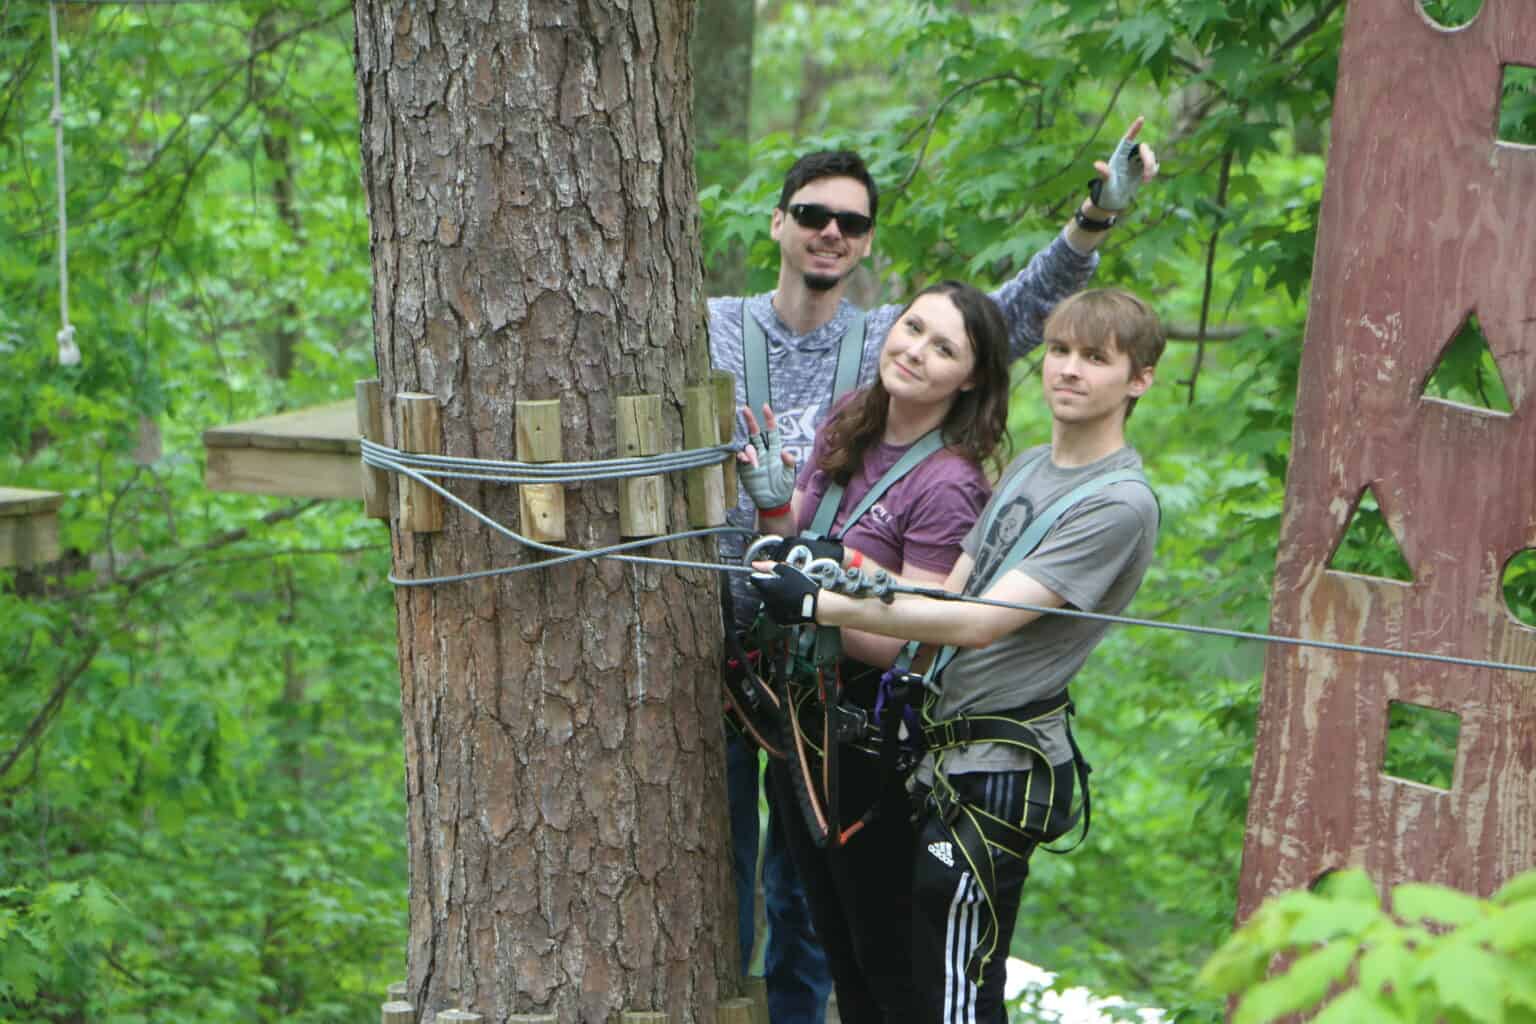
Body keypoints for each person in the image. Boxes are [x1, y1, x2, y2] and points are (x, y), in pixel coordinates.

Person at [709, 121, 1159, 1022]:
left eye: (850, 222)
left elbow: (1013, 318)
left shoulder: (942, 441)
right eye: (812, 213)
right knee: (745, 897)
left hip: (874, 723)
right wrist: (773, 514)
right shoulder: (754, 354)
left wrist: (1088, 229)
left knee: (857, 953)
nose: (830, 232)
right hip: (747, 674)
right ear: (777, 222)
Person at [734, 280, 1014, 1023]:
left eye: (943, 347)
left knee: (876, 955)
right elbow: (802, 534)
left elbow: (914, 641)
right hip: (803, 714)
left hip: (865, 734)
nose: (916, 351)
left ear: (972, 378)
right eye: (913, 328)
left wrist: (823, 605)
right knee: (820, 921)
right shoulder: (849, 421)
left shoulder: (949, 483)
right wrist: (771, 504)